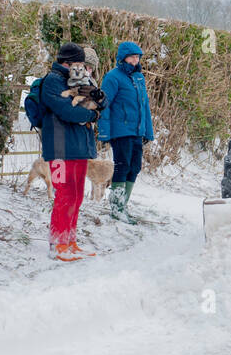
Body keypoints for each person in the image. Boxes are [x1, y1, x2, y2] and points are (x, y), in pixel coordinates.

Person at [40, 43, 101, 261]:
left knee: (76, 195)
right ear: (70, 62)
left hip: (77, 146)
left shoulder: (77, 80)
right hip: (58, 148)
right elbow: (67, 110)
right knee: (64, 195)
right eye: (81, 63)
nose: (83, 67)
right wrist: (90, 115)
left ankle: (70, 241)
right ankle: (58, 244)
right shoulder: (53, 81)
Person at [98, 41, 155, 224]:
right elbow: (104, 105)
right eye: (132, 57)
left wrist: (148, 131)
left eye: (137, 57)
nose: (135, 60)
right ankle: (116, 209)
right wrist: (105, 132)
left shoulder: (139, 78)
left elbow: (144, 106)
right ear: (123, 58)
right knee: (122, 167)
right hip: (120, 130)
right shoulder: (113, 77)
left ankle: (123, 205)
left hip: (137, 131)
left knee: (135, 167)